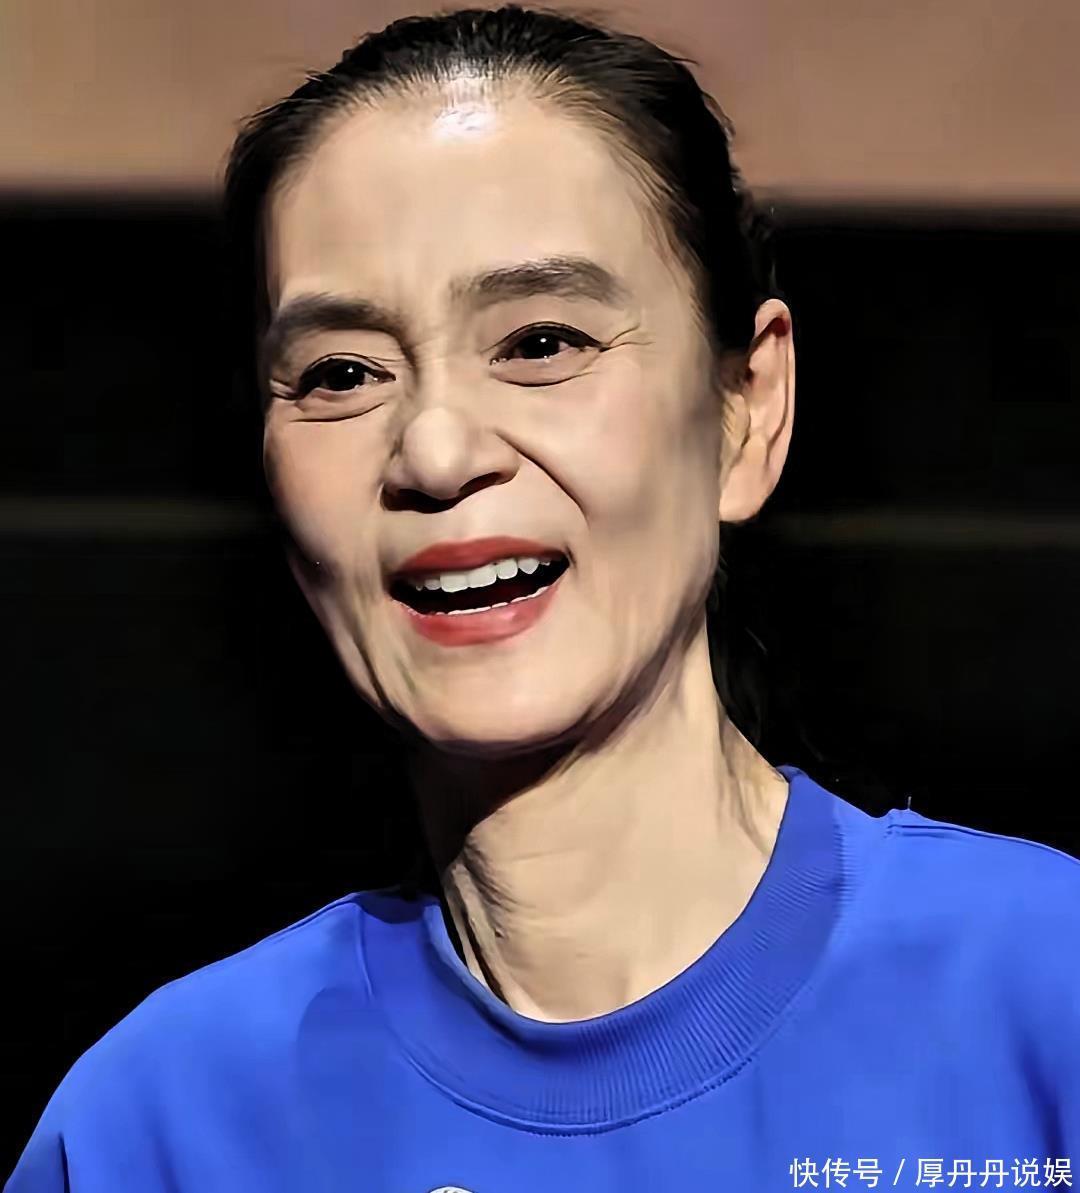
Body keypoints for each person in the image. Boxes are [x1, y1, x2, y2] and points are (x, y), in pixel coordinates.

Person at [8, 6, 1079, 1191]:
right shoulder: (165, 1124)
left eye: (541, 342)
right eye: (342, 372)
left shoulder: (1044, 994)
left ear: (746, 408)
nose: (435, 451)